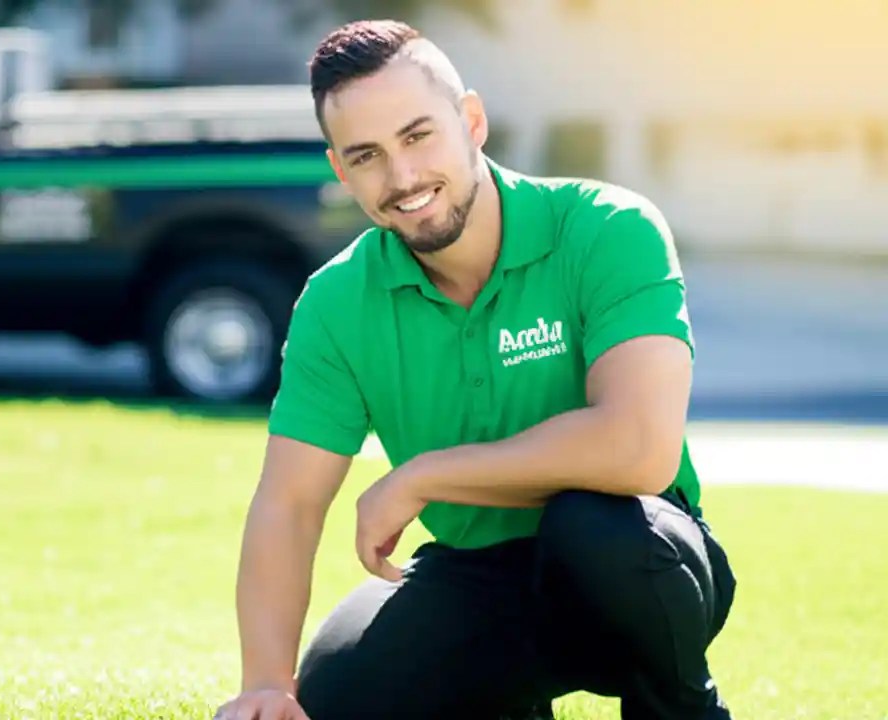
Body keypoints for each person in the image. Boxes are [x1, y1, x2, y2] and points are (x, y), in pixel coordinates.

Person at [213, 18, 738, 720]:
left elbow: (639, 449)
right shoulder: (337, 303)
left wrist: (423, 475)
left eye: (418, 135)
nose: (401, 178)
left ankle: (680, 708)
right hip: (476, 573)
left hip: (637, 554)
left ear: (472, 120)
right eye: (366, 155)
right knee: (340, 694)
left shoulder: (608, 227)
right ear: (340, 170)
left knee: (593, 531)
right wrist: (265, 683)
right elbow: (289, 503)